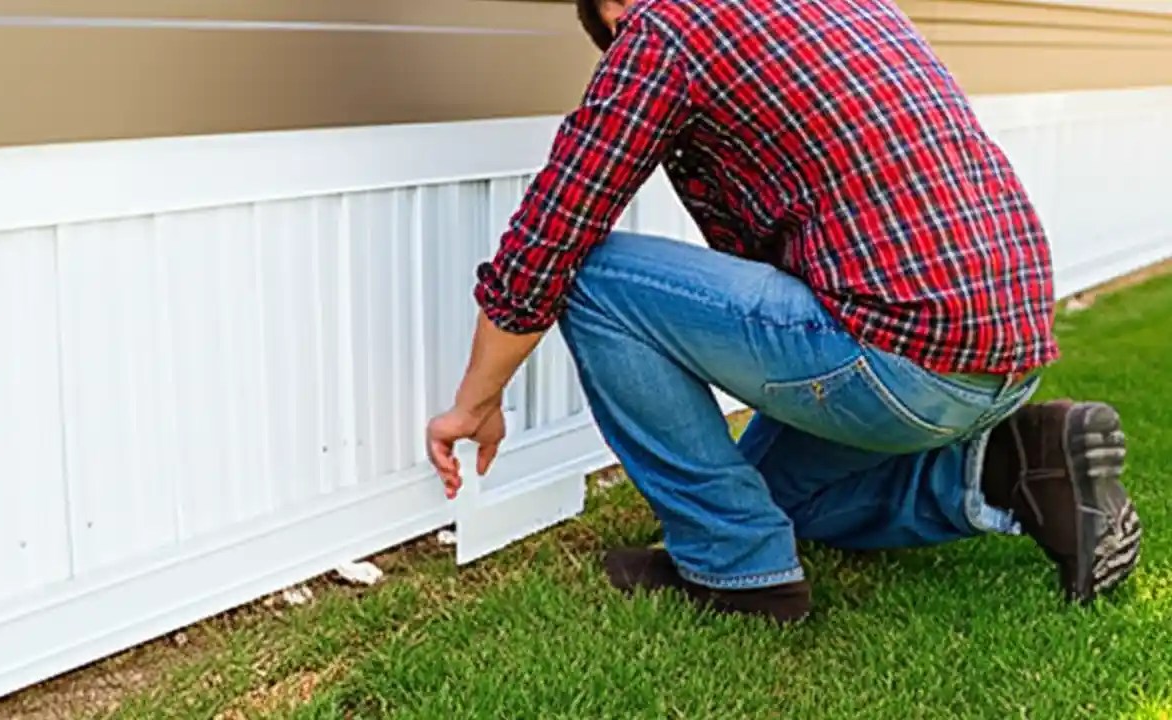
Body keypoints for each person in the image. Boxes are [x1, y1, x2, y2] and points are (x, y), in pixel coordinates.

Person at [424, 0, 1141, 624]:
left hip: (901, 359)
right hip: (1006, 352)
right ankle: (1008, 468)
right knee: (763, 499)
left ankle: (735, 570)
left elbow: (550, 236)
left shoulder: (663, 26)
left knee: (589, 273)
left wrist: (476, 401)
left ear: (614, 15)